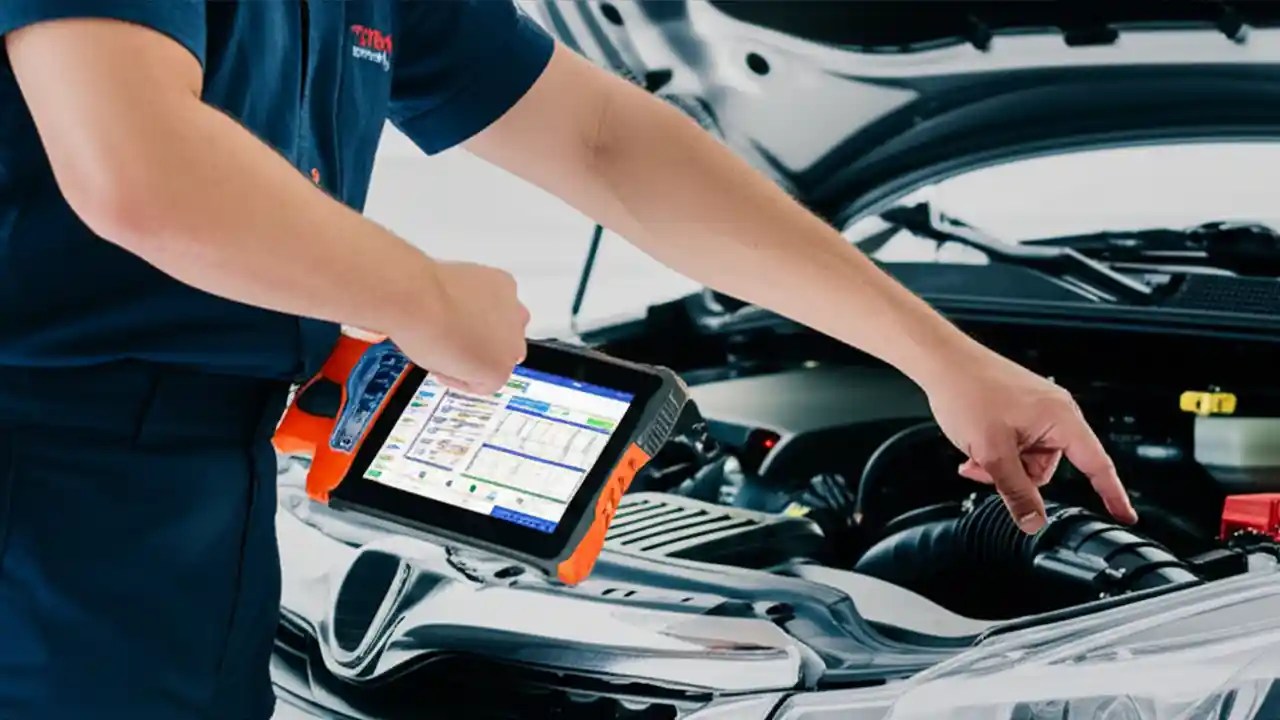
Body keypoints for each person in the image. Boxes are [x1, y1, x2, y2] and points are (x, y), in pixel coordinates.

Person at [0, 2, 1138, 718]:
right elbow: (138, 167)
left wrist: (938, 356)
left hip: (193, 490)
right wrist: (424, 297)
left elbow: (604, 138)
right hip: (44, 485)